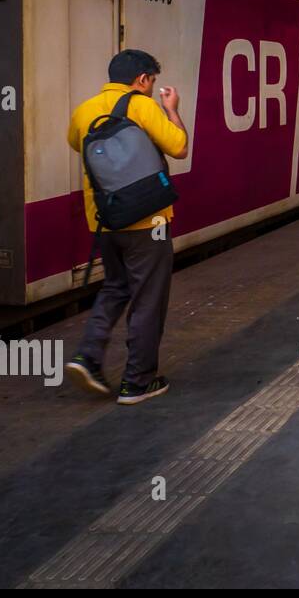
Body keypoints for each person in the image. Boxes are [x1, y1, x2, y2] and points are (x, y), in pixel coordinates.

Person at [65, 49, 188, 405]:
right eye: (152, 81)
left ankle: (88, 357)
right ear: (143, 79)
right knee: (148, 298)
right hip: (148, 222)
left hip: (105, 221)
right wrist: (171, 110)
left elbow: (77, 144)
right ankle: (138, 381)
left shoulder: (83, 111)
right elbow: (179, 147)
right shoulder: (144, 105)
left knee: (115, 287)